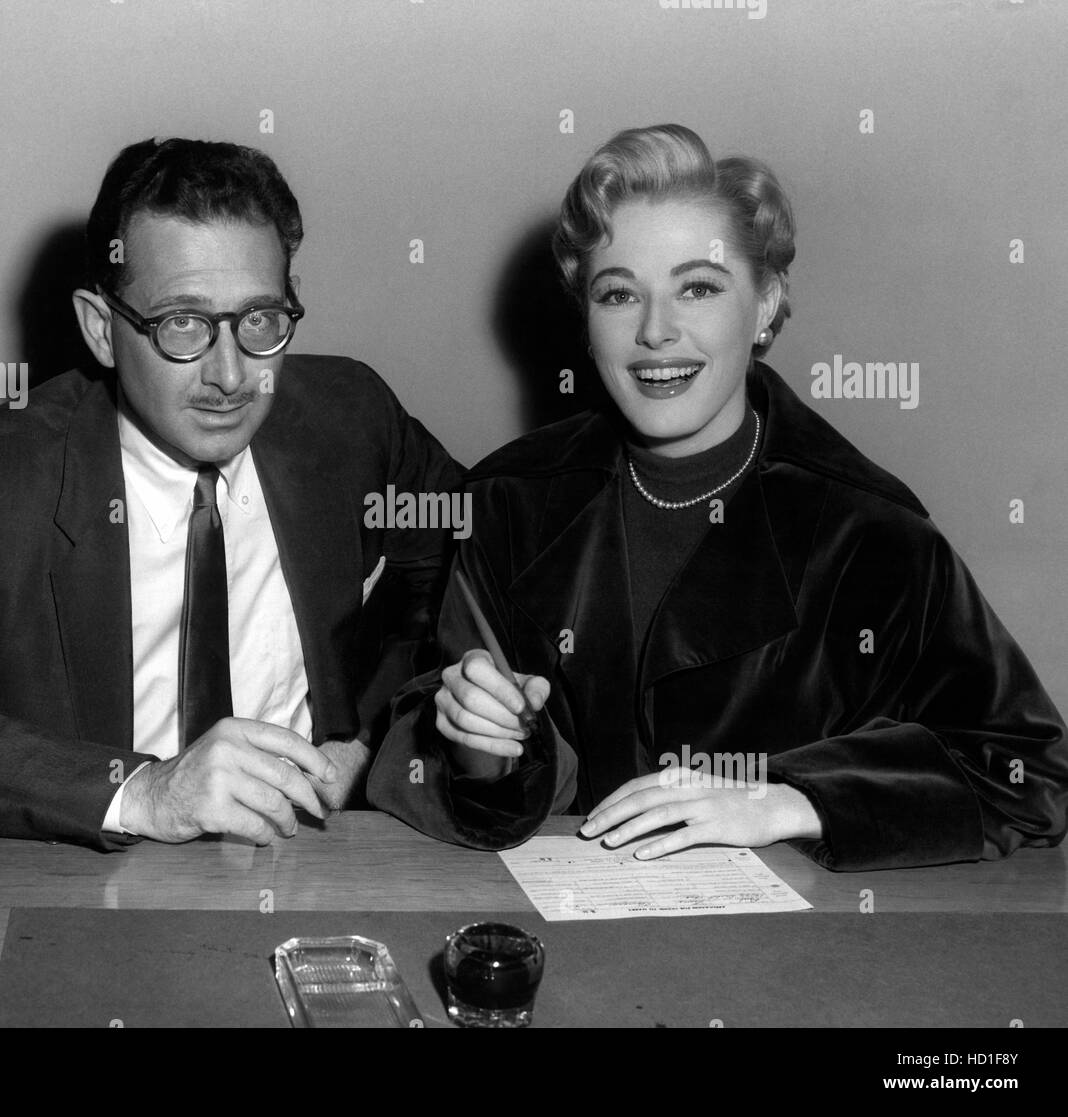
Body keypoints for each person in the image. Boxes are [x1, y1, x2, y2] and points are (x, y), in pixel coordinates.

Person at [368, 124, 1068, 871]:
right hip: (559, 939)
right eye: (618, 294)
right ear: (587, 318)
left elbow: (1028, 772)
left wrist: (788, 798)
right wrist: (484, 753)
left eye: (697, 287)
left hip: (790, 961)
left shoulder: (872, 532)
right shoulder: (508, 501)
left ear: (764, 304)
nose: (656, 331)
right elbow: (427, 751)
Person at [0, 138, 462, 850]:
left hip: (309, 862)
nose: (232, 375)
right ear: (101, 329)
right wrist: (139, 792)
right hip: (82, 887)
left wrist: (376, 733)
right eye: (183, 323)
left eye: (260, 319)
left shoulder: (350, 418)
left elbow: (465, 565)